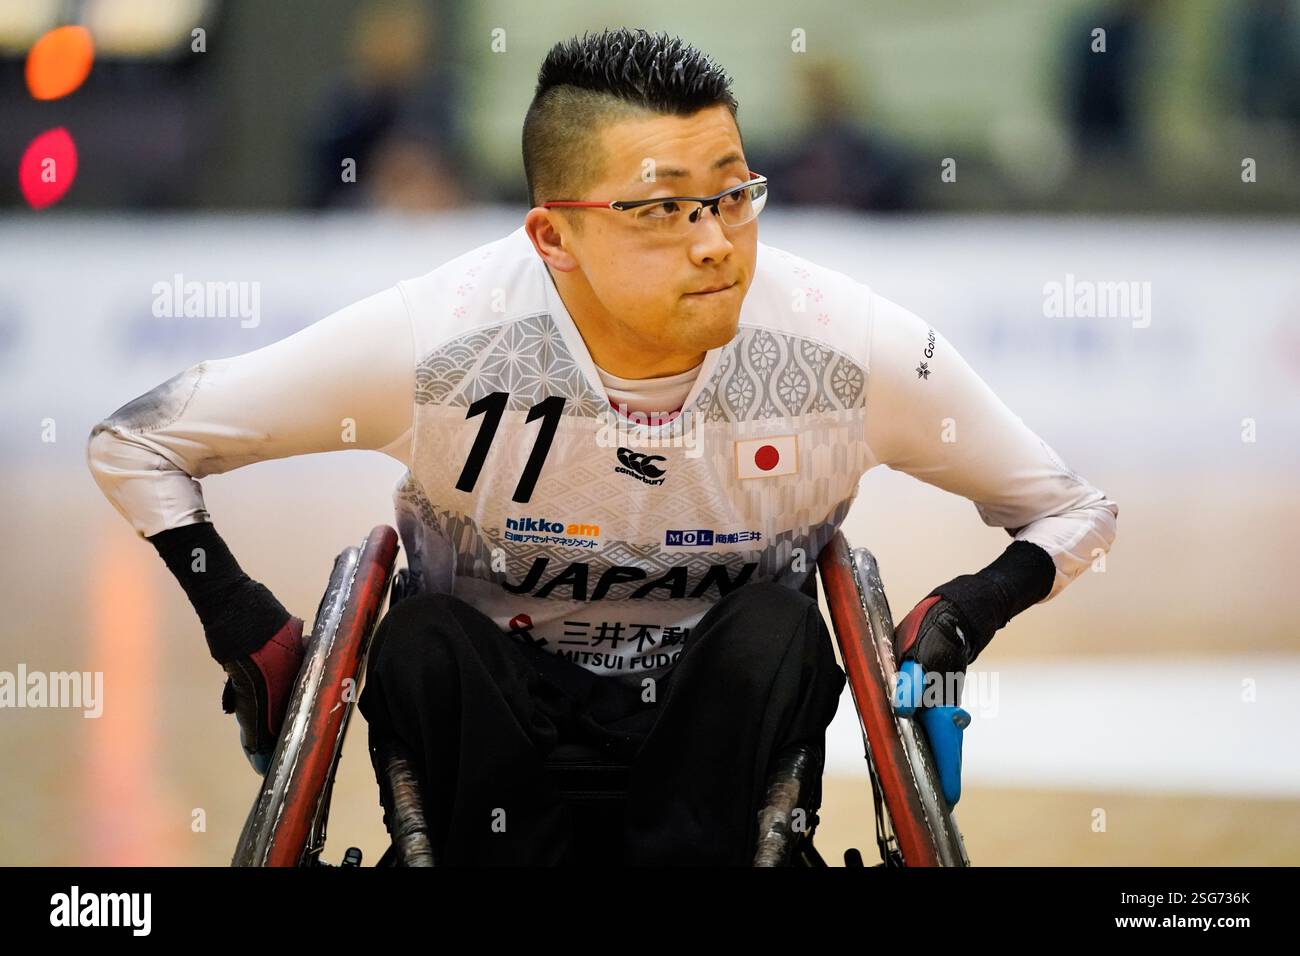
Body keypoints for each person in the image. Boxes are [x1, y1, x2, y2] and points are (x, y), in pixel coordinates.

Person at [86, 28, 1118, 866]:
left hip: (719, 752)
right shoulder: (441, 339)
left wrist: (967, 616)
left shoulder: (843, 349)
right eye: (663, 208)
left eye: (730, 192)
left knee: (774, 625)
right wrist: (246, 621)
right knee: (422, 638)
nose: (715, 238)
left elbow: (1075, 510)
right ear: (552, 239)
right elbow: (138, 443)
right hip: (492, 751)